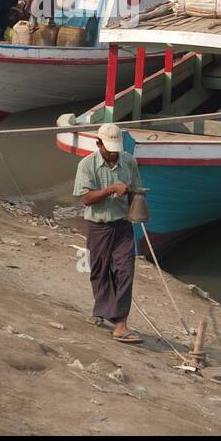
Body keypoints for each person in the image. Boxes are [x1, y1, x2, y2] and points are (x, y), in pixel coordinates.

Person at [73, 123, 143, 344]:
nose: (112, 153)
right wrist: (112, 189)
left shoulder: (129, 162)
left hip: (122, 225)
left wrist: (137, 204)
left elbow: (136, 191)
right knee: (101, 272)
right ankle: (101, 310)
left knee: (125, 270)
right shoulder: (87, 165)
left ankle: (120, 323)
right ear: (98, 144)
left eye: (115, 149)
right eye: (108, 149)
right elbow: (85, 198)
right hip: (99, 225)